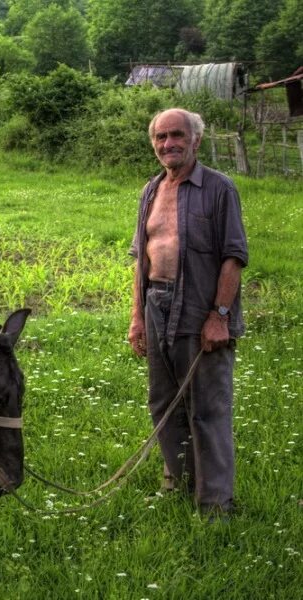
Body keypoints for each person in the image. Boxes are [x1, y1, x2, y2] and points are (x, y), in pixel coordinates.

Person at [128, 108, 248, 519]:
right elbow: (141, 260)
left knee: (207, 408)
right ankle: (178, 482)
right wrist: (137, 317)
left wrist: (220, 315)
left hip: (201, 308)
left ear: (196, 139)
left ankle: (216, 506)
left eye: (176, 135)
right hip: (156, 304)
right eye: (160, 137)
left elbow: (234, 256)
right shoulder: (150, 190)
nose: (168, 144)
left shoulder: (219, 189)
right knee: (163, 402)